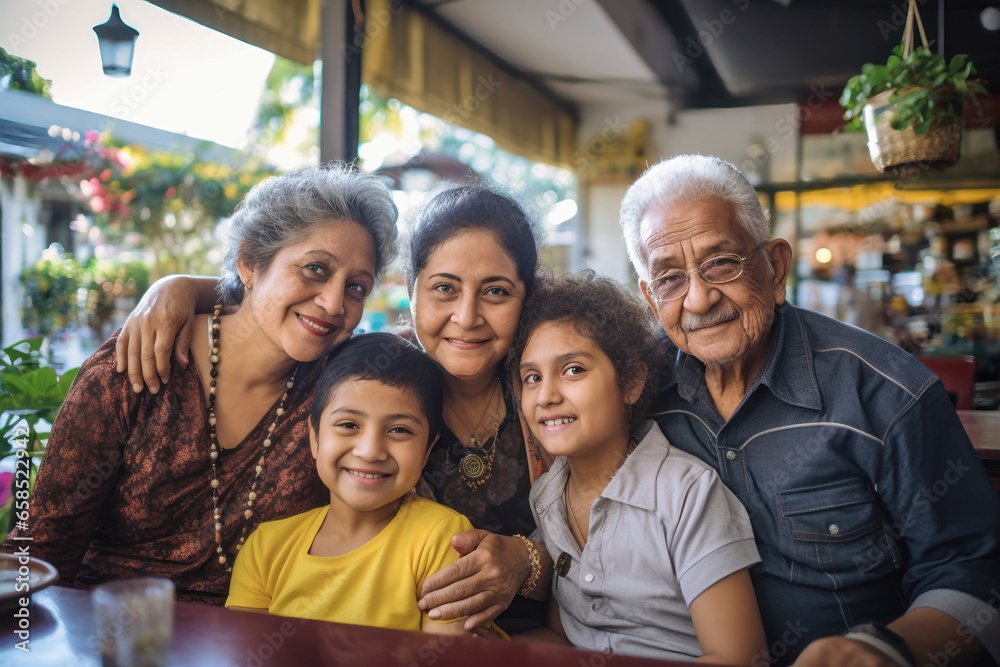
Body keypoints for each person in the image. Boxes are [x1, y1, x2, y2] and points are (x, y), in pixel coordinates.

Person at [112, 184, 554, 632]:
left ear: (527, 296)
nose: (466, 316)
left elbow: (612, 545)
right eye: (444, 288)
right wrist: (177, 289)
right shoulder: (373, 376)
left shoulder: (552, 391)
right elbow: (275, 295)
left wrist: (529, 560)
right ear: (412, 290)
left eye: (496, 292)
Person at [619, 154, 1000, 667]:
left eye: (721, 263)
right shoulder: (637, 393)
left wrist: (883, 649)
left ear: (775, 267)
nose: (699, 298)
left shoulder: (887, 393)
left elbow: (974, 572)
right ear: (649, 296)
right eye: (669, 278)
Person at [2, 164, 399, 604]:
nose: (333, 302)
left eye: (357, 287)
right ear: (249, 262)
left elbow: (442, 341)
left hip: (257, 642)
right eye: (314, 269)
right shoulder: (138, 365)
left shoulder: (343, 387)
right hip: (114, 637)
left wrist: (181, 286)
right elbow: (42, 551)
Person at [511, 270, 767, 664]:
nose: (545, 395)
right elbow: (567, 636)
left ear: (631, 382)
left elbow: (741, 658)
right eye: (532, 377)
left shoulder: (686, 494)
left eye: (573, 369)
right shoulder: (546, 497)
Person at [227, 333, 500, 637]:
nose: (370, 451)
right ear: (315, 438)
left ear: (426, 451)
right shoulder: (265, 548)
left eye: (399, 430)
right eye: (348, 425)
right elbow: (246, 651)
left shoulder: (441, 538)